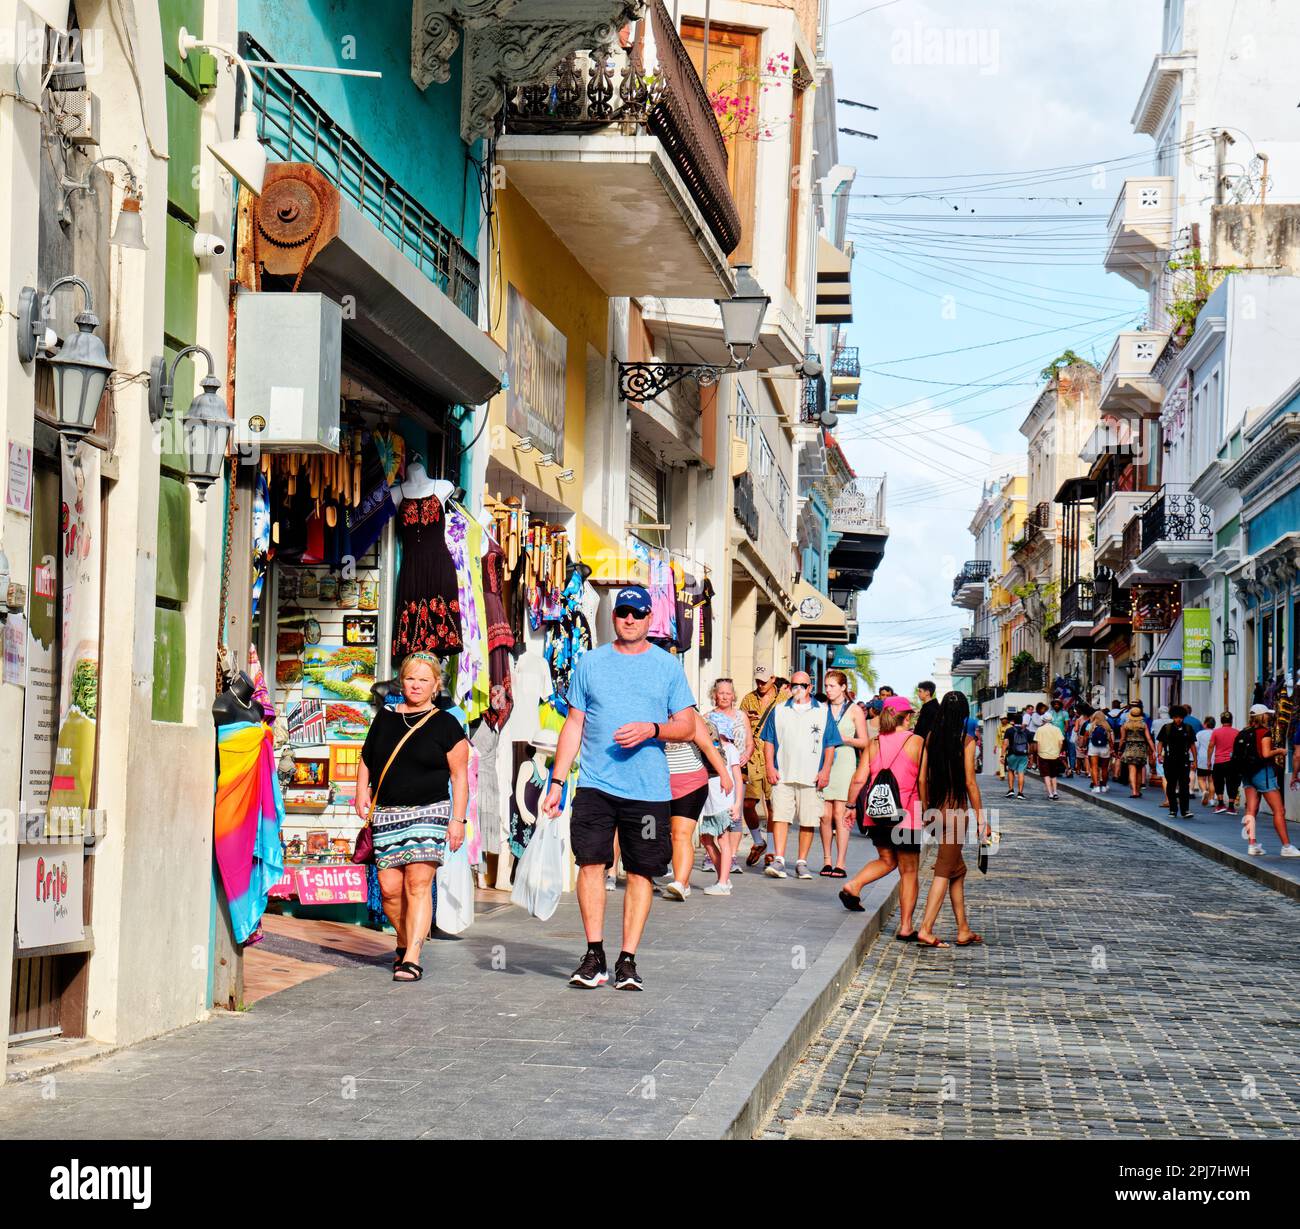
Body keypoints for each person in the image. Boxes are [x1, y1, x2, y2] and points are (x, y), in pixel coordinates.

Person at [543, 586, 698, 992]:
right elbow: (573, 724)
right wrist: (557, 781)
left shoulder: (667, 667)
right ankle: (594, 955)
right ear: (613, 617)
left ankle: (627, 960)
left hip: (648, 791)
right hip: (596, 784)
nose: (629, 619)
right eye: (622, 612)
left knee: (641, 872)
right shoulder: (590, 663)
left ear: (650, 619)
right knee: (590, 862)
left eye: (637, 613)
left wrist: (653, 729)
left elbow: (688, 726)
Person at [356, 653, 470, 983]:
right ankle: (405, 939)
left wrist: (457, 820)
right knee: (389, 889)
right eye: (410, 678)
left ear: (436, 685)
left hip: (429, 812)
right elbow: (367, 758)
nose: (416, 685)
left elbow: (459, 776)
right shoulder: (385, 719)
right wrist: (362, 790)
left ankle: (412, 958)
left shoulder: (447, 724)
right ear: (401, 681)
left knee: (417, 884)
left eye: (423, 679)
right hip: (388, 813)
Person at [840, 695, 923, 939]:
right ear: (906, 717)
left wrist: (850, 805)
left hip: (876, 813)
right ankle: (906, 926)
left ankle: (854, 885)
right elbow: (923, 780)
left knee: (887, 859)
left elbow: (858, 778)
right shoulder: (916, 741)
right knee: (909, 871)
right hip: (906, 814)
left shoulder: (874, 743)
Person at [916, 692, 989, 948]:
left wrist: (926, 808)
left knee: (957, 870)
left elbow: (922, 779)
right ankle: (925, 928)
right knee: (944, 871)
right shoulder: (966, 740)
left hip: (936, 809)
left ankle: (963, 928)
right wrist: (981, 818)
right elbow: (970, 781)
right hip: (956, 811)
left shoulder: (931, 738)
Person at [759, 670, 843, 879]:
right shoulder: (779, 711)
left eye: (803, 685)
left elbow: (831, 744)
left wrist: (825, 770)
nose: (798, 688)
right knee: (780, 817)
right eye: (794, 684)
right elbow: (768, 741)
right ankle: (779, 859)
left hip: (811, 776)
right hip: (783, 774)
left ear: (810, 688)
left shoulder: (823, 712)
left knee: (808, 820)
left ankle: (801, 862)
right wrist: (770, 766)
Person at [662, 712, 732, 901]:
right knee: (663, 834)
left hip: (691, 783)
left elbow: (708, 747)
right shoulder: (653, 711)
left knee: (681, 834)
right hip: (661, 784)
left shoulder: (689, 715)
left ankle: (680, 882)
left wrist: (724, 775)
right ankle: (682, 883)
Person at [819, 670, 868, 877]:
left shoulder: (855, 710)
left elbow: (865, 742)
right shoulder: (821, 708)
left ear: (843, 687)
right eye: (826, 686)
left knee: (840, 813)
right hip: (825, 761)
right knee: (824, 815)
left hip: (845, 760)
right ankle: (827, 860)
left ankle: (841, 862)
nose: (828, 690)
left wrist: (846, 739)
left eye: (832, 686)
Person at [1237, 703, 1299, 857]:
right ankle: (1286, 846)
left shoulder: (1244, 732)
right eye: (1268, 714)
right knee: (1279, 810)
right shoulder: (1264, 733)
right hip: (1263, 773)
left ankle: (1252, 845)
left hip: (1247, 773)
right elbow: (1265, 754)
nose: (1270, 717)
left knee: (1251, 810)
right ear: (1262, 716)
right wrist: (1280, 751)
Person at [740, 666, 786, 867]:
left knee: (772, 805)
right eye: (757, 681)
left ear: (773, 679)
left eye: (764, 681)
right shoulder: (748, 699)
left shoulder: (784, 699)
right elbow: (737, 726)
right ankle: (758, 841)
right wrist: (744, 722)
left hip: (775, 757)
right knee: (748, 804)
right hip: (752, 757)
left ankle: (773, 851)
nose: (760, 685)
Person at [698, 716, 746, 896]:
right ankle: (723, 877)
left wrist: (737, 804)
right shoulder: (705, 748)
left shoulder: (730, 749)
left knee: (723, 840)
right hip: (709, 803)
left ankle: (723, 882)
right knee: (706, 839)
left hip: (724, 801)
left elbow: (738, 779)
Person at [706, 678, 750, 875]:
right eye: (720, 692)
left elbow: (749, 742)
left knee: (734, 816)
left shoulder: (741, 716)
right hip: (713, 772)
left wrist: (746, 756)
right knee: (715, 814)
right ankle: (715, 857)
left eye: (727, 693)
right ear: (714, 694)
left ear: (733, 695)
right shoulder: (707, 717)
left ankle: (730, 856)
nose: (724, 696)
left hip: (736, 767)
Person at [1157, 705, 1197, 819]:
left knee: (1184, 785)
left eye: (1180, 717)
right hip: (1170, 760)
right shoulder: (1167, 728)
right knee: (1171, 785)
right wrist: (1159, 755)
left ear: (1183, 717)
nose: (1178, 719)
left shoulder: (1188, 728)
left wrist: (1195, 760)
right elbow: (1160, 742)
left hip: (1184, 760)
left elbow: (1193, 745)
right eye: (1175, 717)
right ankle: (1173, 809)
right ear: (1172, 717)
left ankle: (1185, 810)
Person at [1119, 703, 1157, 799]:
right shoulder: (1143, 724)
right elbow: (1148, 738)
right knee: (1139, 770)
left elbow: (1122, 738)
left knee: (1132, 770)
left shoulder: (1126, 725)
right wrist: (1154, 750)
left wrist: (1119, 749)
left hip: (1130, 748)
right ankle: (1138, 790)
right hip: (1141, 748)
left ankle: (1134, 791)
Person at [1210, 710, 1241, 814]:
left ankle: (1220, 804)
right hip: (1232, 762)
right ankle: (1231, 807)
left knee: (1218, 782)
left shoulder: (1216, 732)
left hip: (1218, 761)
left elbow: (1211, 746)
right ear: (1231, 721)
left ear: (1221, 721)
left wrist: (1208, 760)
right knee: (1232, 783)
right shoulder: (1237, 732)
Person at [1034, 712, 1065, 800]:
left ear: (1043, 720)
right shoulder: (1057, 729)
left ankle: (1050, 793)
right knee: (1053, 775)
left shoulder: (1040, 729)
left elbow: (1038, 743)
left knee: (1046, 775)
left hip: (1043, 754)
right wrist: (1058, 752)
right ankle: (1055, 792)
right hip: (1054, 754)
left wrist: (1038, 753)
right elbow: (1061, 742)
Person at [1003, 711, 1031, 798]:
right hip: (1023, 755)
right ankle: (1020, 793)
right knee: (1021, 772)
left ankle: (1011, 790)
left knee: (1011, 770)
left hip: (1012, 754)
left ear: (1013, 721)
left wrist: (1002, 755)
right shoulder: (1027, 731)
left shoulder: (1009, 730)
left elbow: (1005, 743)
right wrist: (1029, 756)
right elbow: (1029, 745)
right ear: (1022, 721)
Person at [1086, 708, 1113, 792]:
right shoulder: (1107, 726)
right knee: (1104, 768)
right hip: (1105, 747)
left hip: (1093, 747)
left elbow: (1085, 737)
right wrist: (1112, 749)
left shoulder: (1090, 726)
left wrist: (1083, 746)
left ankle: (1096, 786)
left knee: (1094, 767)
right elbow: (1110, 739)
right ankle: (1104, 786)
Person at [1195, 715, 1216, 806]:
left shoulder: (1200, 734)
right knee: (1211, 780)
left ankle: (1204, 791)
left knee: (1200, 778)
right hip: (1213, 758)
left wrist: (1193, 759)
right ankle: (1211, 800)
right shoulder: (1216, 733)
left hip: (1202, 758)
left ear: (1206, 724)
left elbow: (1195, 746)